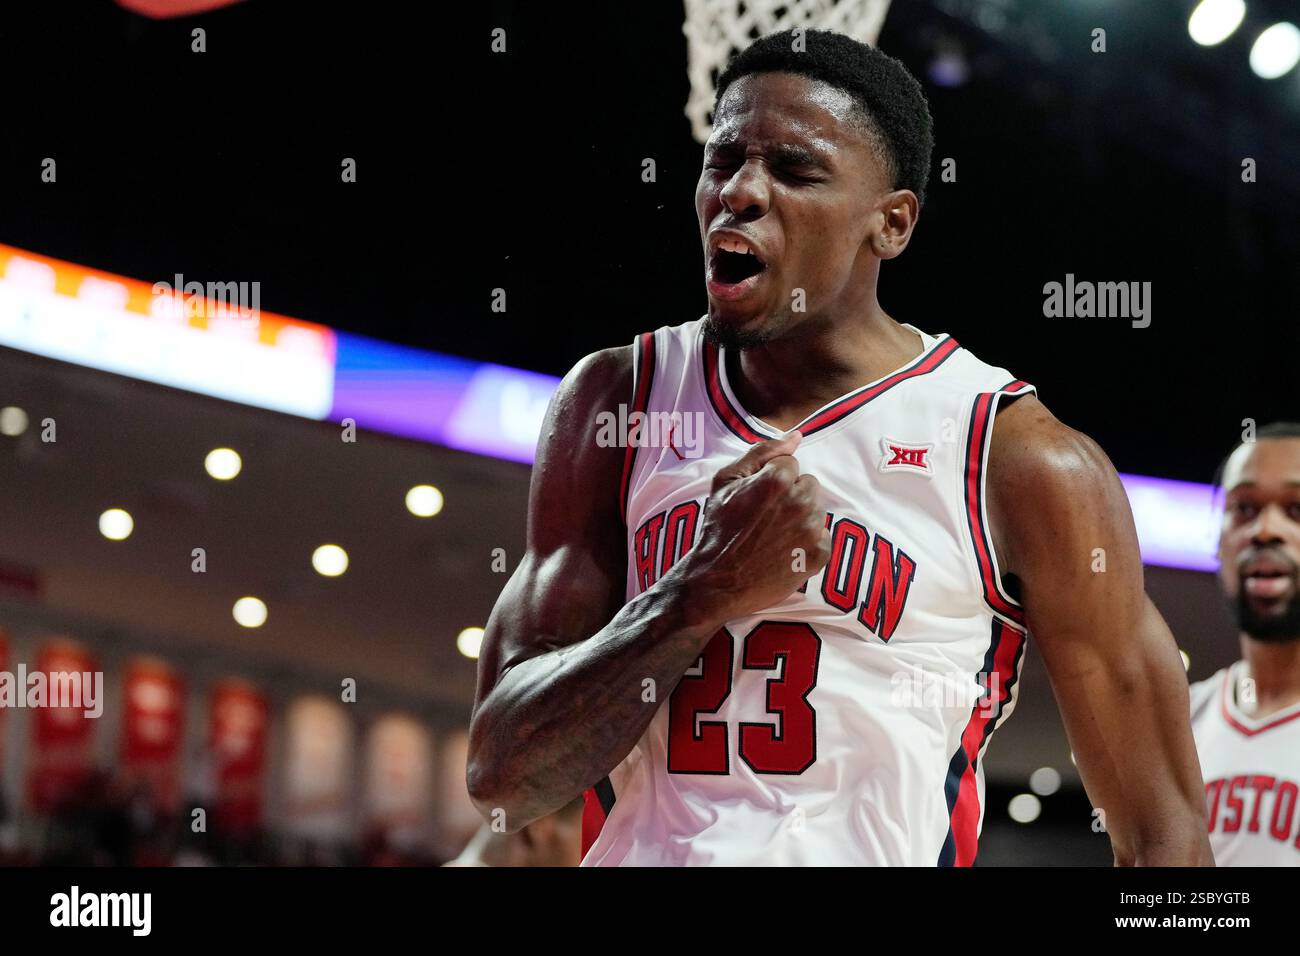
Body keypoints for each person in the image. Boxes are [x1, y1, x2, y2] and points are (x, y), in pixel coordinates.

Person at [468, 29, 1211, 866]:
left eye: (793, 169)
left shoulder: (1018, 456)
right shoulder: (619, 400)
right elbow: (504, 773)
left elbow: (1164, 835)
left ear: (890, 224)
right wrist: (697, 592)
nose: (740, 193)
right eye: (723, 161)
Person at [1191, 422, 1300, 864]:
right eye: (1244, 508)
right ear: (1218, 544)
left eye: (1296, 509)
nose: (1265, 531)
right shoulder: (1175, 721)